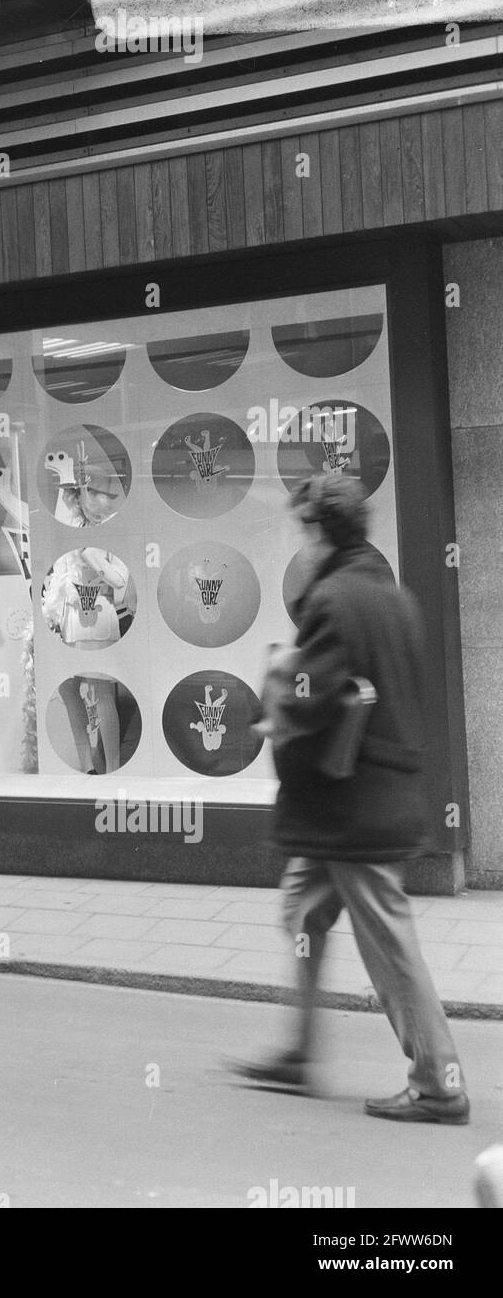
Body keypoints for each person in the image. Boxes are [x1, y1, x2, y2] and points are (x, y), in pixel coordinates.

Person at [231, 475, 468, 1124]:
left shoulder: (334, 599)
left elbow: (309, 695)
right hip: (361, 797)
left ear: (315, 531)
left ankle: (438, 1082)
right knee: (302, 916)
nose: (297, 544)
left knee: (387, 942)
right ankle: (298, 1053)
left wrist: (274, 693)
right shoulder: (393, 596)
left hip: (349, 804)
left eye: (299, 530)